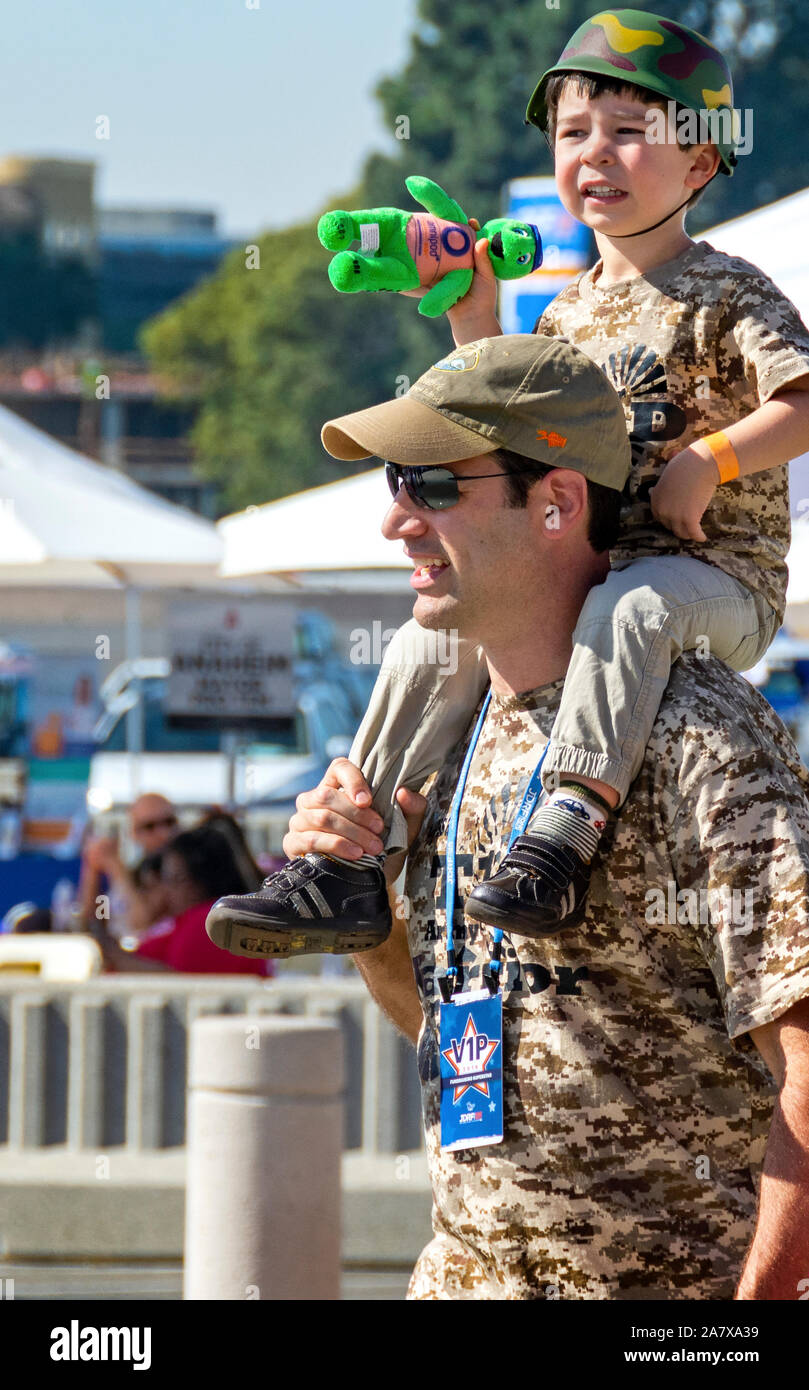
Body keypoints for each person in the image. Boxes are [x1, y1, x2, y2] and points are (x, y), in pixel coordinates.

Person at [207, 8, 809, 950]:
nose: (593, 154)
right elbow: (507, 437)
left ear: (698, 165)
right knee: (428, 638)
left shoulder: (728, 292)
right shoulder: (564, 310)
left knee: (637, 608)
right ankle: (349, 862)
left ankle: (566, 827)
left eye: (626, 131)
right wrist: (474, 309)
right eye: (573, 132)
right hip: (592, 576)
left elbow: (805, 403)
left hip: (716, 580)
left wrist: (708, 459)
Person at [269, 335, 809, 1300]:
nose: (397, 521)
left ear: (557, 502)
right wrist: (372, 909)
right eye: (395, 482)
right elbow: (450, 1027)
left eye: (432, 485)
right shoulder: (445, 726)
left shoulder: (697, 732)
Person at [92, 824, 272, 977]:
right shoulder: (193, 922)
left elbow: (174, 982)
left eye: (172, 878)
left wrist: (106, 945)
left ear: (197, 882)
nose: (166, 888)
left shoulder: (209, 922)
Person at [78, 793, 179, 937]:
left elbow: (141, 925)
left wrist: (115, 865)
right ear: (134, 833)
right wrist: (92, 869)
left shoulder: (184, 872)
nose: (163, 833)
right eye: (150, 826)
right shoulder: (139, 871)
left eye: (169, 822)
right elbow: (91, 922)